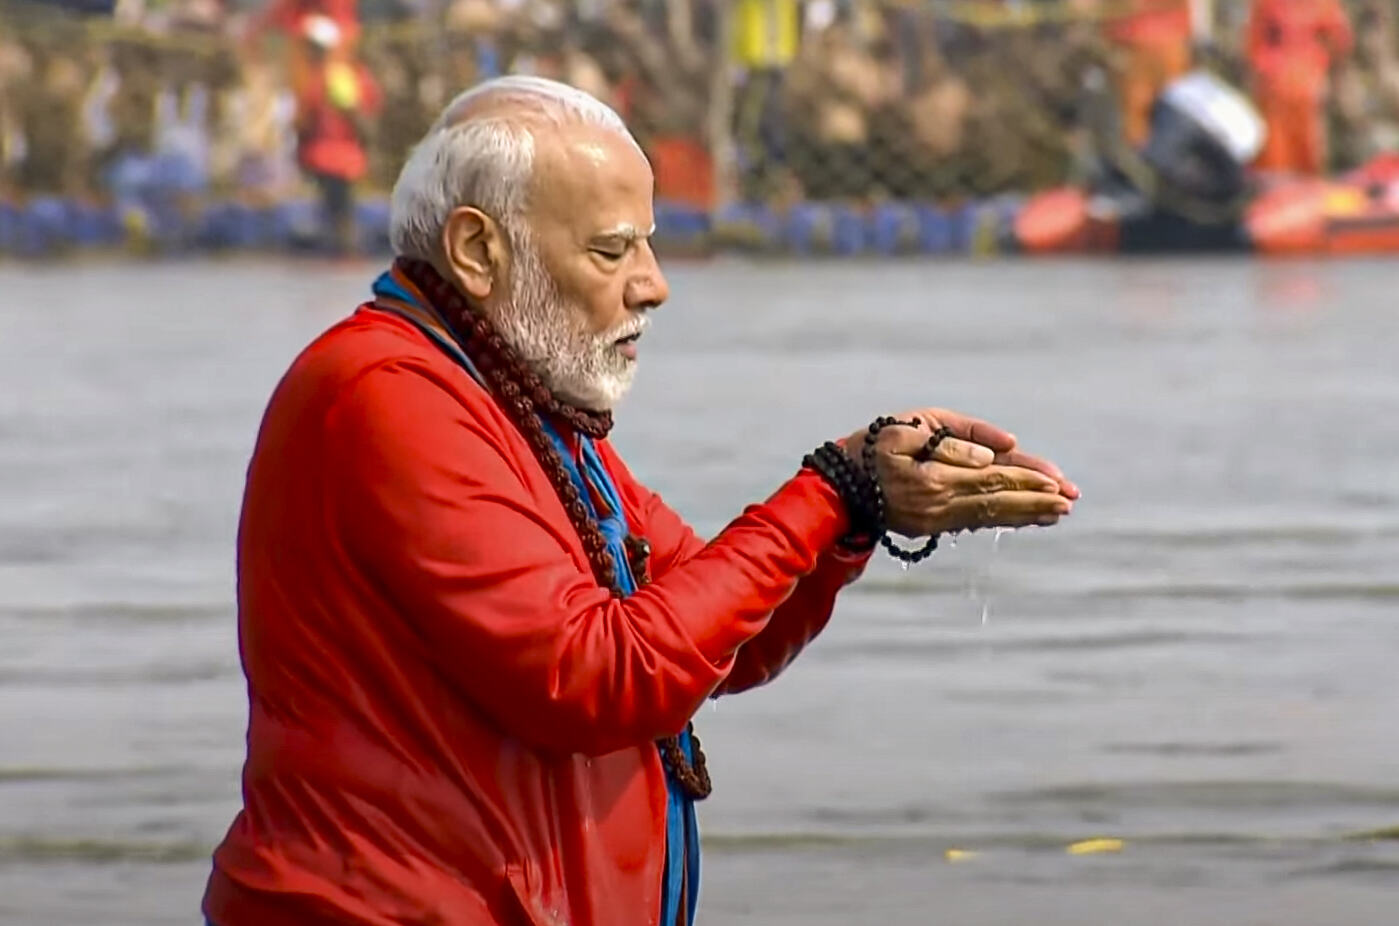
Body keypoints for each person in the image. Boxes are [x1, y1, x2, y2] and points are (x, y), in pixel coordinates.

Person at [202, 75, 1078, 926]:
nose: (654, 283)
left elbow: (728, 644)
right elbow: (601, 680)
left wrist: (856, 513)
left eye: (648, 245)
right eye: (612, 250)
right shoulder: (385, 393)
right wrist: (828, 488)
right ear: (476, 252)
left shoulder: (523, 406)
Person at [1246, 0, 1352, 175]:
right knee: (1279, 153)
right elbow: (1255, 40)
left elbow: (1339, 40)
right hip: (1281, 85)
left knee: (1302, 152)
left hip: (1299, 84)